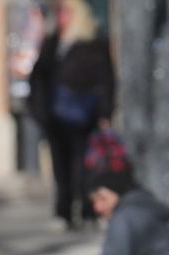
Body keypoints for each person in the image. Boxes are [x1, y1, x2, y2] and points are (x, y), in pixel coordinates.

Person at [29, 0, 115, 229]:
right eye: (59, 13)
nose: (61, 18)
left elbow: (106, 79)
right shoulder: (52, 43)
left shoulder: (91, 42)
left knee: (84, 166)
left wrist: (105, 113)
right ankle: (64, 211)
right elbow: (37, 78)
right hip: (55, 116)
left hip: (83, 116)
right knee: (60, 167)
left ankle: (88, 211)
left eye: (65, 12)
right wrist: (37, 111)